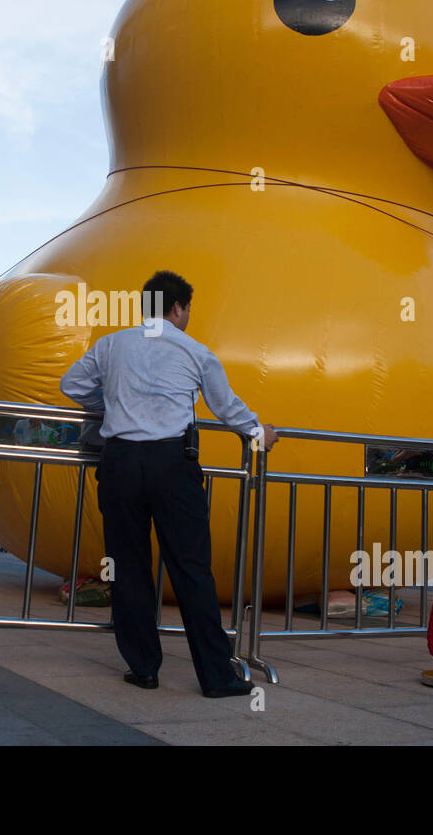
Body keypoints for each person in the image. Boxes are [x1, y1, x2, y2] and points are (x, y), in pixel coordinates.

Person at [60, 270, 278, 698]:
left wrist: (112, 405)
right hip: (171, 465)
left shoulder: (111, 344)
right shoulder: (194, 350)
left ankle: (143, 668)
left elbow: (72, 385)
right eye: (188, 310)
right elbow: (225, 407)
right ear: (178, 308)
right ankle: (216, 677)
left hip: (120, 463)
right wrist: (258, 434)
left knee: (129, 567)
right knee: (191, 568)